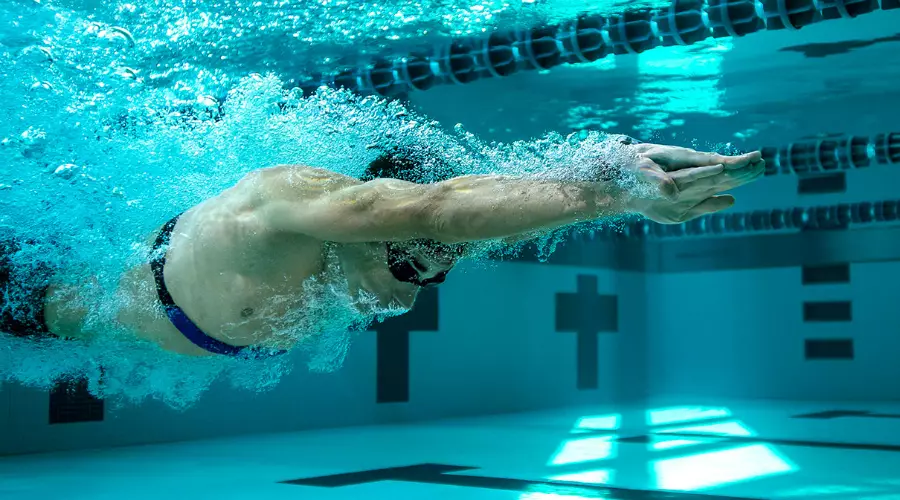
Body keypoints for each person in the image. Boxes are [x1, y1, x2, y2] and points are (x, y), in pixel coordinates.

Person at [0, 140, 765, 358]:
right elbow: (439, 209)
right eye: (411, 260)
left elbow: (475, 214)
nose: (420, 281)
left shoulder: (378, 256)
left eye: (432, 273)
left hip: (153, 327)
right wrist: (611, 184)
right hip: (77, 301)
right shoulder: (289, 201)